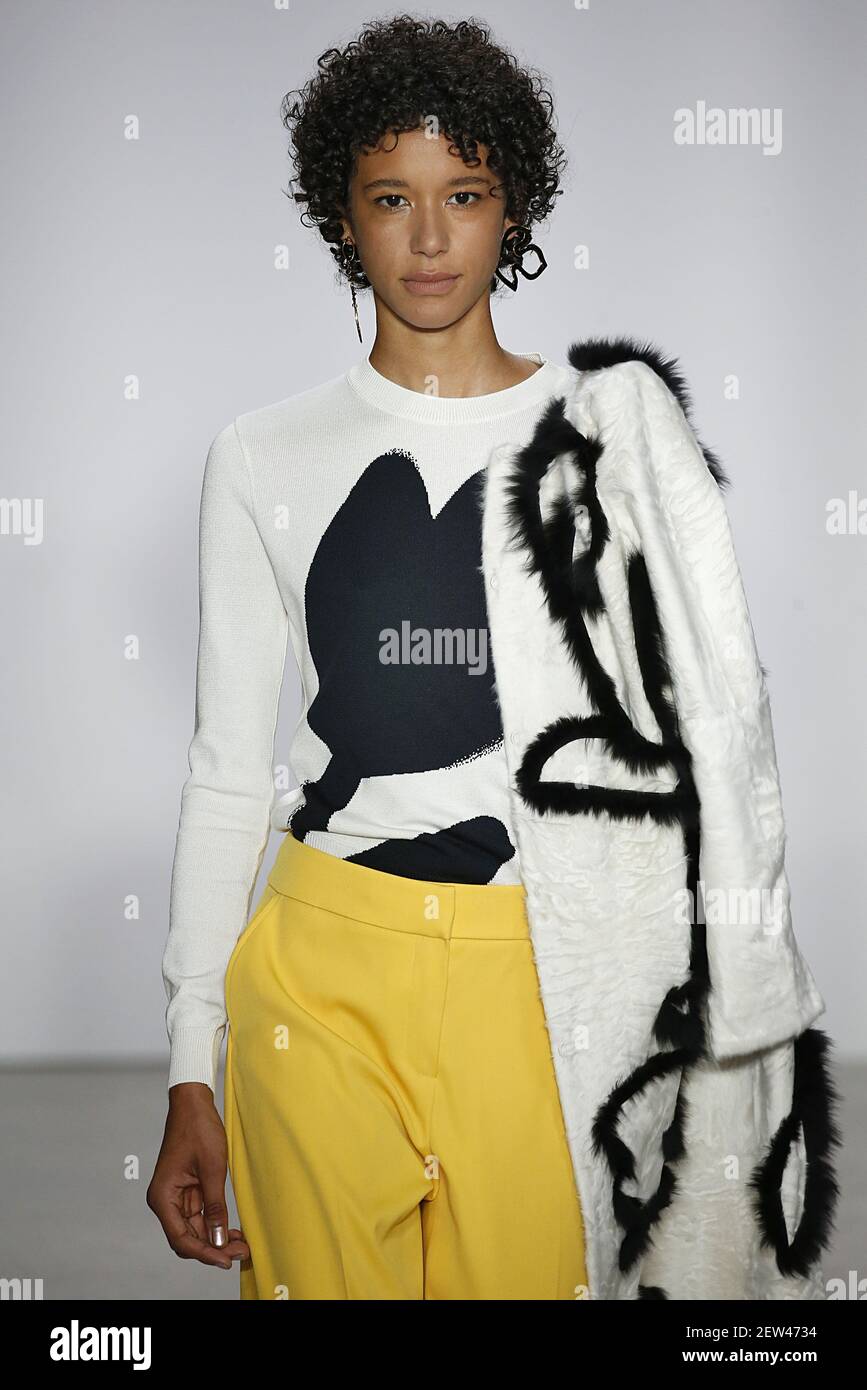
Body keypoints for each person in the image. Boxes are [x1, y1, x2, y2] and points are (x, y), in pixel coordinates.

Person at [147, 14, 590, 1299]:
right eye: (393, 198)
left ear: (515, 204)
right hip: (319, 965)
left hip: (536, 964)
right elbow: (229, 769)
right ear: (343, 214)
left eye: (467, 193)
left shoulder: (599, 439)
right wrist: (190, 1061)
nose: (434, 236)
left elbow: (670, 759)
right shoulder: (261, 454)